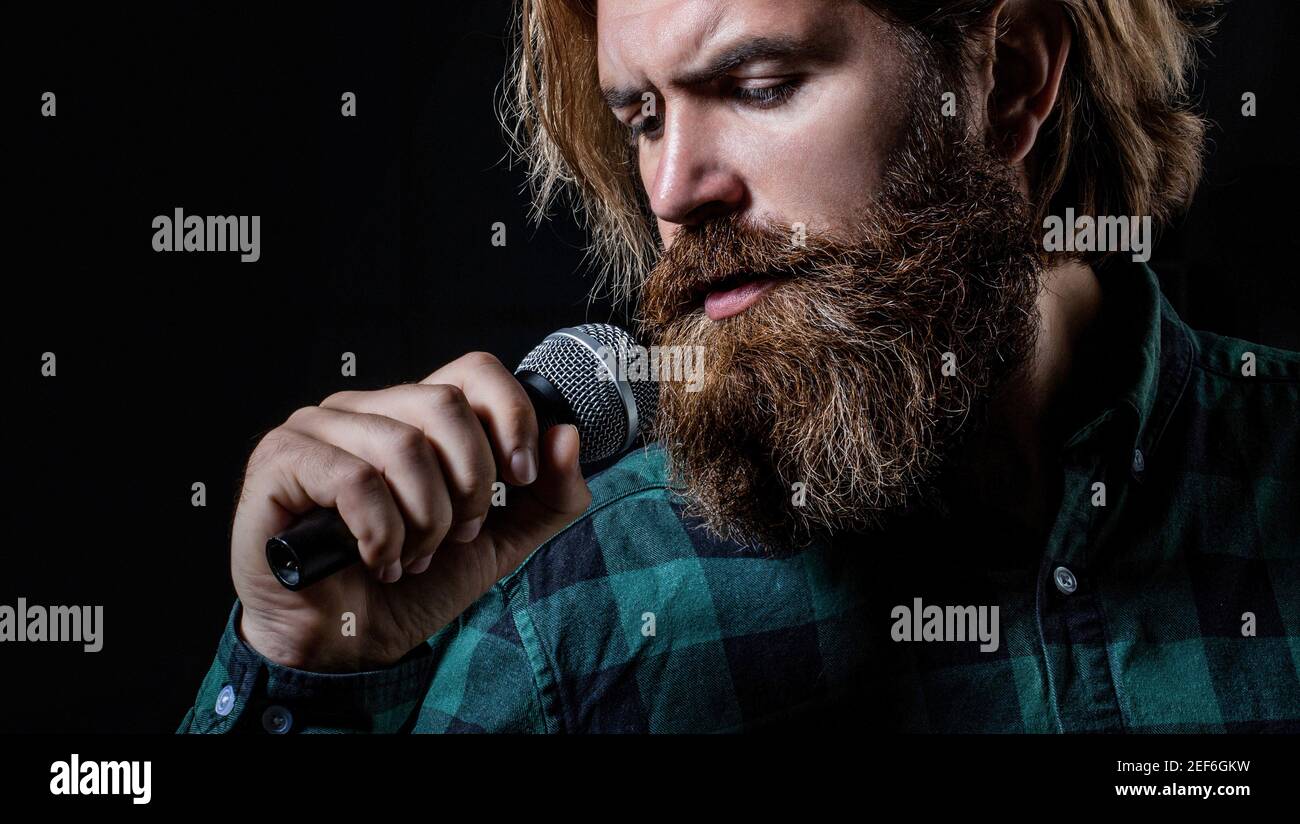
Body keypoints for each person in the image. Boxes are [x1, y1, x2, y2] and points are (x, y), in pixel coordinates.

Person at [180, 0, 1299, 733]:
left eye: (759, 85)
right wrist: (302, 663)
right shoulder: (575, 612)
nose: (673, 189)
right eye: (643, 115)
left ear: (1004, 83)